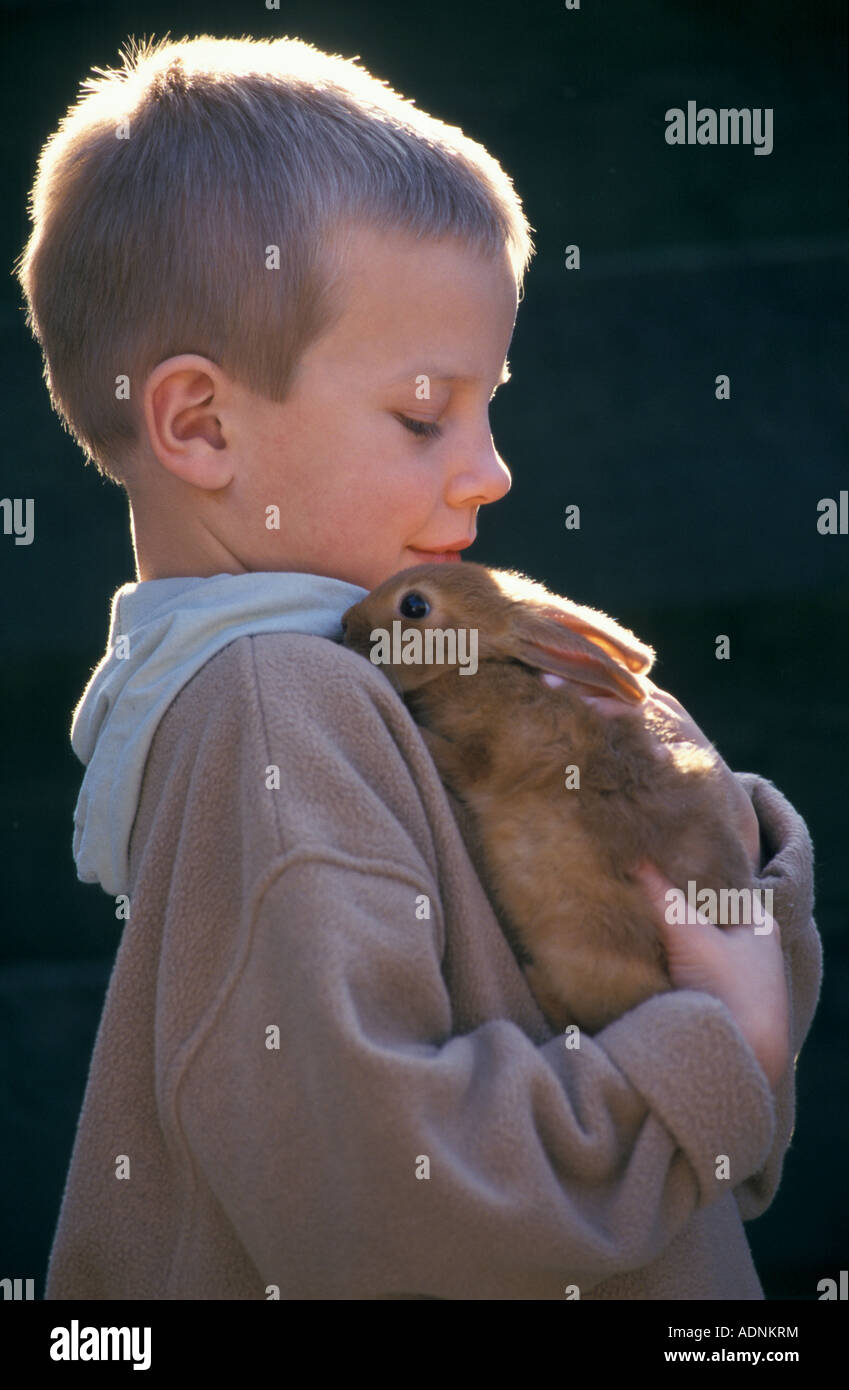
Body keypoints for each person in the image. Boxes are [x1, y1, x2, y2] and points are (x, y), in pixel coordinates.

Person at [16, 34, 821, 1300]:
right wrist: (721, 1047)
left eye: (490, 404)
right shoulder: (277, 703)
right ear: (201, 425)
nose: (492, 469)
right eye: (423, 412)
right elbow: (394, 1206)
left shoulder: (347, 690)